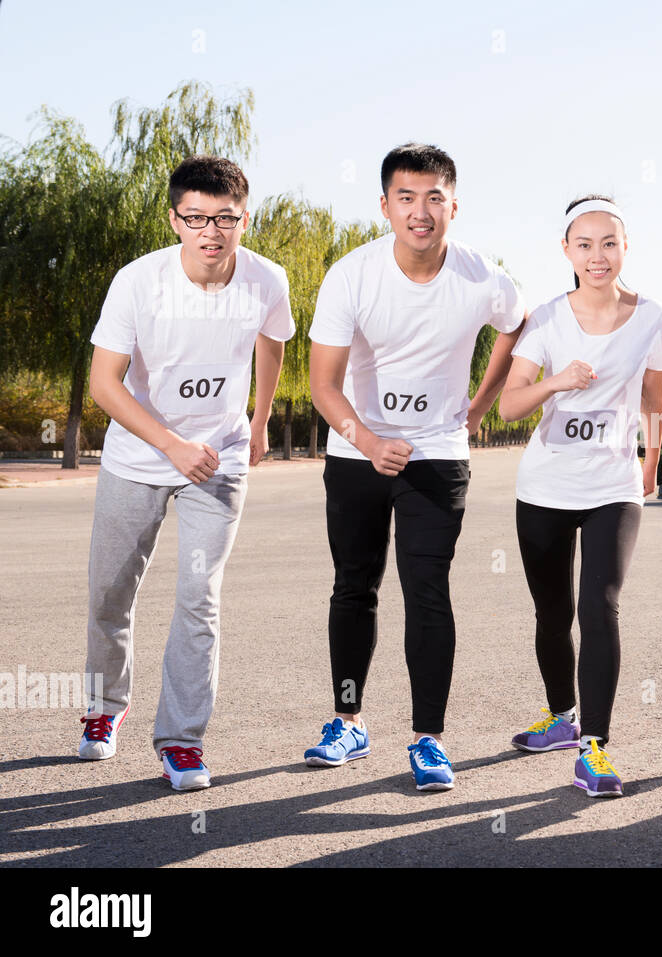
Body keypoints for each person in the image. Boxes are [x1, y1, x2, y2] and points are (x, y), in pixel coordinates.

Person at [303, 143, 525, 791]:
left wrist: (479, 405)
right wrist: (368, 441)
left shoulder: (484, 276)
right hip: (355, 452)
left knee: (427, 589)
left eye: (434, 198)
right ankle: (348, 719)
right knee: (353, 585)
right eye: (406, 198)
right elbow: (323, 384)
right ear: (385, 206)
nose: (420, 212)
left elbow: (518, 324)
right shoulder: (352, 275)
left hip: (436, 454)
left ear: (454, 205)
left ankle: (428, 738)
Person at [79, 155, 292, 790]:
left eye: (225, 218)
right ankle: (102, 709)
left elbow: (273, 342)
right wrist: (170, 444)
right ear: (175, 220)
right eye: (196, 218)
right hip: (138, 457)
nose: (211, 232)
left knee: (199, 598)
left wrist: (259, 421)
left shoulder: (267, 280)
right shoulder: (137, 282)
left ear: (243, 220)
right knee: (109, 593)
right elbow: (103, 383)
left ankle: (181, 738)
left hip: (218, 459)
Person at [498, 195, 662, 798]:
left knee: (600, 605)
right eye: (585, 244)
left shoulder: (652, 317)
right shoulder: (546, 318)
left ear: (626, 248)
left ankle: (594, 747)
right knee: (554, 613)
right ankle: (561, 716)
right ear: (566, 250)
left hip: (612, 485)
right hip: (545, 486)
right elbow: (511, 403)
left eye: (608, 243)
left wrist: (652, 461)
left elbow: (654, 398)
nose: (597, 256)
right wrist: (558, 379)